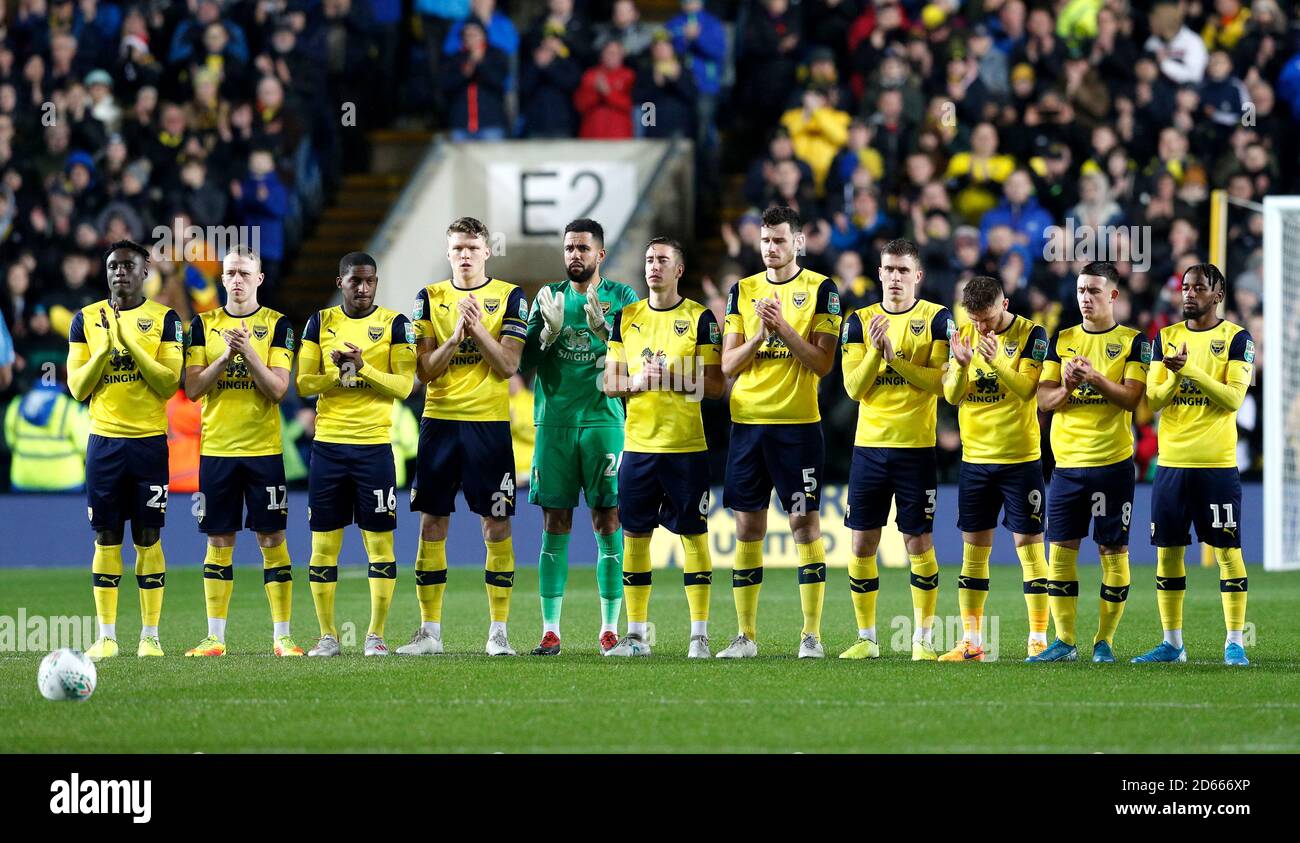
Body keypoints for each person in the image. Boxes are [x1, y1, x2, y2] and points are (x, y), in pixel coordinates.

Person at [717, 206, 842, 658]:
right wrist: (758, 336)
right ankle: (745, 636)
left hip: (798, 427)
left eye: (780, 240)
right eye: (766, 241)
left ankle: (811, 636)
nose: (771, 248)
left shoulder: (822, 290)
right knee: (748, 527)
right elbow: (727, 365)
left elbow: (823, 364)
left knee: (804, 525)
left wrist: (783, 327)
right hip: (748, 426)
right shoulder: (742, 291)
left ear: (798, 243)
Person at [401, 217, 527, 656]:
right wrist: (456, 335)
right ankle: (430, 632)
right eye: (457, 248)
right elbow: (424, 370)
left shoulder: (510, 296)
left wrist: (475, 329)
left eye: (473, 248)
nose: (465, 255)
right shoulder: (429, 298)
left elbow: (509, 366)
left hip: (488, 427)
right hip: (439, 422)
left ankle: (498, 632)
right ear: (448, 251)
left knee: (496, 523)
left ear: (487, 251)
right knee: (432, 521)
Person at [519, 219, 639, 655]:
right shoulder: (547, 297)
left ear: (600, 255)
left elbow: (634, 357)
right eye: (569, 248)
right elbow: (521, 360)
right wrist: (546, 334)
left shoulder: (623, 297)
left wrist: (607, 332)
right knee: (555, 522)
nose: (575, 255)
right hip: (554, 423)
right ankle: (550, 628)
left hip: (604, 421)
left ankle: (610, 627)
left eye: (584, 249)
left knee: (608, 520)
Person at [602, 237, 724, 657]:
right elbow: (609, 383)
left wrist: (670, 377)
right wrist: (635, 382)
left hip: (686, 448)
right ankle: (636, 636)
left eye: (663, 260)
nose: (654, 266)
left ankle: (699, 637)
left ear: (679, 270)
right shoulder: (626, 317)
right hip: (638, 448)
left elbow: (715, 386)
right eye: (649, 258)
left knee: (694, 534)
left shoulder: (699, 318)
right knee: (634, 536)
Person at [182, 247, 302, 658]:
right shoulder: (202, 325)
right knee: (219, 537)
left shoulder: (278, 326)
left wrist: (248, 352)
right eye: (230, 273)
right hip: (216, 449)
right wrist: (225, 356)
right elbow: (194, 388)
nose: (236, 279)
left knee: (272, 536)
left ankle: (282, 637)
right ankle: (215, 637)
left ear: (259, 279)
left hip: (263, 450)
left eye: (244, 273)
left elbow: (279, 390)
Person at [67, 240, 184, 660]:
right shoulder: (85, 319)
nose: (120, 272)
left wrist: (128, 342)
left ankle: (150, 636)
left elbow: (169, 383)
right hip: (104, 443)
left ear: (145, 271)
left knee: (148, 536)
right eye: (113, 266)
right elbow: (78, 388)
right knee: (106, 536)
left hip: (149, 443)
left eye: (128, 266)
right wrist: (103, 350)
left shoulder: (165, 320)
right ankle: (107, 636)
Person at [837, 239, 953, 660]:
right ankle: (867, 638)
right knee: (862, 543)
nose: (895, 277)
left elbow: (941, 383)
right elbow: (853, 388)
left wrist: (895, 359)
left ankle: (922, 639)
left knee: (917, 542)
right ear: (879, 272)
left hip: (915, 448)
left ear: (917, 276)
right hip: (869, 448)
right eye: (889, 269)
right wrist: (875, 353)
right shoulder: (858, 322)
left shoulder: (937, 319)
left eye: (904, 270)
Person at [296, 252, 416, 656]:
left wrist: (362, 367)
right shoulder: (320, 322)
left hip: (374, 449)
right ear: (340, 282)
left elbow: (404, 387)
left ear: (376, 282)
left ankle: (375, 636)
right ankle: (328, 636)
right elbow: (302, 383)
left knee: (380, 546)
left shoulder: (396, 324)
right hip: (328, 448)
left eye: (369, 281)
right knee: (322, 547)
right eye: (354, 282)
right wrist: (335, 373)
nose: (362, 288)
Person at [1031, 262, 1150, 663]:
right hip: (1066, 467)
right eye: (1081, 290)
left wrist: (1094, 378)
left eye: (1094, 291)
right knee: (1060, 553)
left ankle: (1104, 641)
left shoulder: (1134, 342)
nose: (1085, 298)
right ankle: (1064, 641)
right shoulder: (1060, 340)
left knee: (1112, 551)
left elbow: (1133, 400)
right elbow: (1043, 401)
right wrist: (1066, 384)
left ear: (1113, 295)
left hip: (1112, 464)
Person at [1137, 263, 1253, 666]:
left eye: (1198, 287)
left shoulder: (1237, 339)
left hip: (1216, 464)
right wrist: (1172, 376)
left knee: (1227, 550)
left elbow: (1233, 399)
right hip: (1171, 463)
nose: (1188, 294)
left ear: (1217, 294)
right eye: (1185, 287)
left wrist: (1189, 370)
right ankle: (1173, 643)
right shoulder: (1165, 338)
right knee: (1168, 552)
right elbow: (1153, 399)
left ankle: (1234, 641)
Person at [941, 275, 1050, 662]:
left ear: (1004, 304)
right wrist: (960, 364)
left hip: (1020, 460)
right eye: (975, 319)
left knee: (1030, 549)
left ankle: (1038, 639)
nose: (981, 327)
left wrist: (994, 361)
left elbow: (1027, 390)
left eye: (986, 318)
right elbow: (952, 396)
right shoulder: (964, 335)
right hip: (975, 461)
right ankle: (971, 641)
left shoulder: (1032, 334)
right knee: (973, 552)